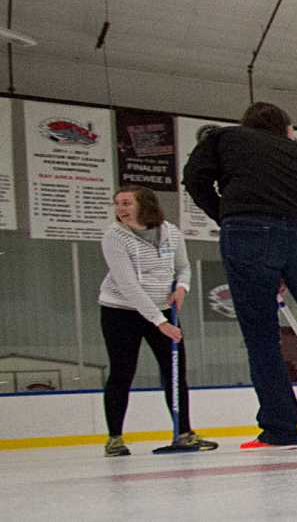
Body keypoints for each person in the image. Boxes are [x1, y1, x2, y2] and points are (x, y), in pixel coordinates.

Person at [183, 102, 297, 448]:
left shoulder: (223, 138)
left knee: (261, 334)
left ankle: (280, 430)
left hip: (249, 232)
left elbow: (193, 178)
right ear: (285, 128)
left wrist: (227, 215)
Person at [98, 186, 214, 456]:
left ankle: (184, 433)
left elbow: (183, 266)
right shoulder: (114, 236)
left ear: (144, 204)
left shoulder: (171, 232)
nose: (121, 209)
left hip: (164, 310)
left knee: (174, 373)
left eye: (127, 203)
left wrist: (182, 287)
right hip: (121, 312)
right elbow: (128, 285)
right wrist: (159, 322)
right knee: (122, 372)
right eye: (117, 204)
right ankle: (114, 439)